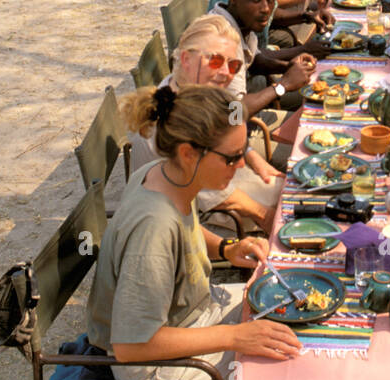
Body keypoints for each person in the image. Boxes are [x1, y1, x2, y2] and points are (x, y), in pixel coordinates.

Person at [87, 84, 301, 380]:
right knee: (284, 377)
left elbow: (185, 229)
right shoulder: (153, 228)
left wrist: (227, 247)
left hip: (197, 314)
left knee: (292, 311)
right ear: (189, 153)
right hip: (156, 370)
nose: (241, 165)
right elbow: (131, 346)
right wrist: (234, 337)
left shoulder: (161, 175)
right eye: (232, 158)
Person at [126, 13, 307, 232]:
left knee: (301, 192)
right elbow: (214, 195)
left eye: (233, 66)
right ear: (185, 59)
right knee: (298, 208)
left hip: (224, 181)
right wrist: (265, 215)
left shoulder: (199, 93)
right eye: (215, 61)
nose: (225, 74)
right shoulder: (174, 119)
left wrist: (257, 161)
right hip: (195, 217)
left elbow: (231, 127)